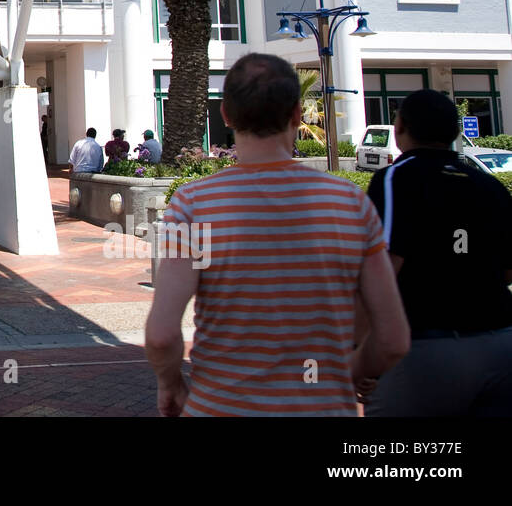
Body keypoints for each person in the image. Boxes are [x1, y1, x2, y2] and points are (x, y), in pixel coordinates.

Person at [144, 52, 410, 416]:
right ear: (297, 114)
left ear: (225, 114)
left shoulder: (194, 203)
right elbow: (393, 339)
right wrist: (349, 371)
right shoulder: (351, 203)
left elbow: (161, 334)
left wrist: (171, 383)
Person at [362, 89, 512, 416]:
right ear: (456, 132)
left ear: (400, 127)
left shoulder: (396, 179)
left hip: (425, 349)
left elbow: (385, 269)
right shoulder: (489, 185)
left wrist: (364, 351)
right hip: (501, 342)